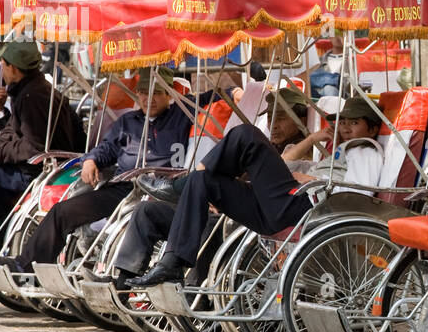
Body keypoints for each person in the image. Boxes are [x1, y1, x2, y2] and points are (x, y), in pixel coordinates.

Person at [0, 66, 192, 275]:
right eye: (143, 92)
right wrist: (91, 160)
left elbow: (209, 103)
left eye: (156, 93)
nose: (148, 98)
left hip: (161, 191)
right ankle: (26, 265)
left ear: (169, 94)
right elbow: (106, 148)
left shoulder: (184, 116)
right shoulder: (127, 122)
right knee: (62, 211)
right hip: (123, 188)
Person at [125, 119, 316, 288]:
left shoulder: (335, 156)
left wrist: (313, 174)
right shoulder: (334, 150)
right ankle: (172, 262)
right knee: (202, 180)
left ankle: (179, 187)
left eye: (347, 121)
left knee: (247, 134)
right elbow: (287, 162)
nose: (343, 126)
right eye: (341, 122)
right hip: (272, 206)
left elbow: (344, 190)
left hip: (305, 205)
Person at [0, 38, 85, 251]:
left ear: (13, 68)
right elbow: (11, 131)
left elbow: (33, 146)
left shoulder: (35, 96)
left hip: (36, 169)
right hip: (23, 164)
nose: (1, 68)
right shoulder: (27, 91)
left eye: (3, 64)